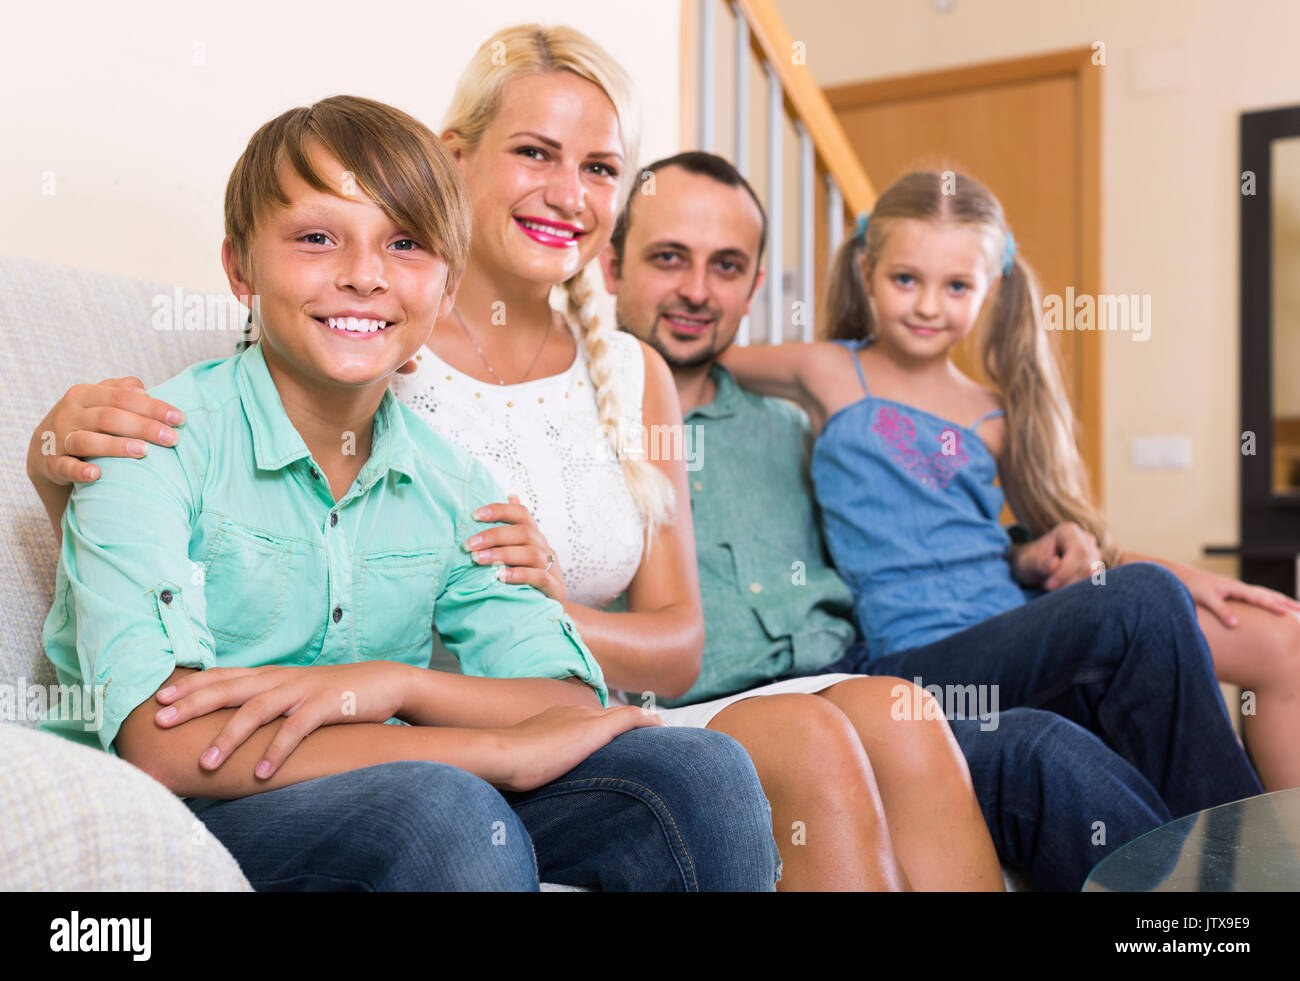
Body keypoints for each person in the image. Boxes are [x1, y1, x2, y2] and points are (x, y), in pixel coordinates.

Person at [26, 25, 997, 891]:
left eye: (403, 245)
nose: (364, 273)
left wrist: (406, 694)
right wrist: (489, 747)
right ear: (241, 266)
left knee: (700, 771)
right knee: (447, 808)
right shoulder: (146, 436)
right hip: (220, 800)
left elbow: (566, 695)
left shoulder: (449, 478)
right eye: (317, 240)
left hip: (402, 762)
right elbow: (166, 741)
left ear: (440, 276)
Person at [604, 151, 1266, 889]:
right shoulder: (584, 421)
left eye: (725, 267)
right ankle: (1242, 886)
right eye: (668, 258)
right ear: (609, 267)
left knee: (1080, 699)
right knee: (1057, 728)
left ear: (754, 285)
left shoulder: (788, 424)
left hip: (873, 682)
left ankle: (1232, 905)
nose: (697, 290)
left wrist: (1034, 555)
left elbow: (926, 521)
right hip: (811, 701)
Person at [717, 169, 1299, 792]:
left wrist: (1175, 576)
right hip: (920, 658)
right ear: (867, 273)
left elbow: (1063, 543)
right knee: (1147, 596)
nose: (928, 305)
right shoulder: (827, 370)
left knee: (1279, 637)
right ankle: (1237, 855)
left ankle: (1270, 852)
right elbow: (701, 352)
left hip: (1019, 625)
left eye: (957, 285)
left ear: (990, 289)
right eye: (905, 279)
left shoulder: (997, 412)